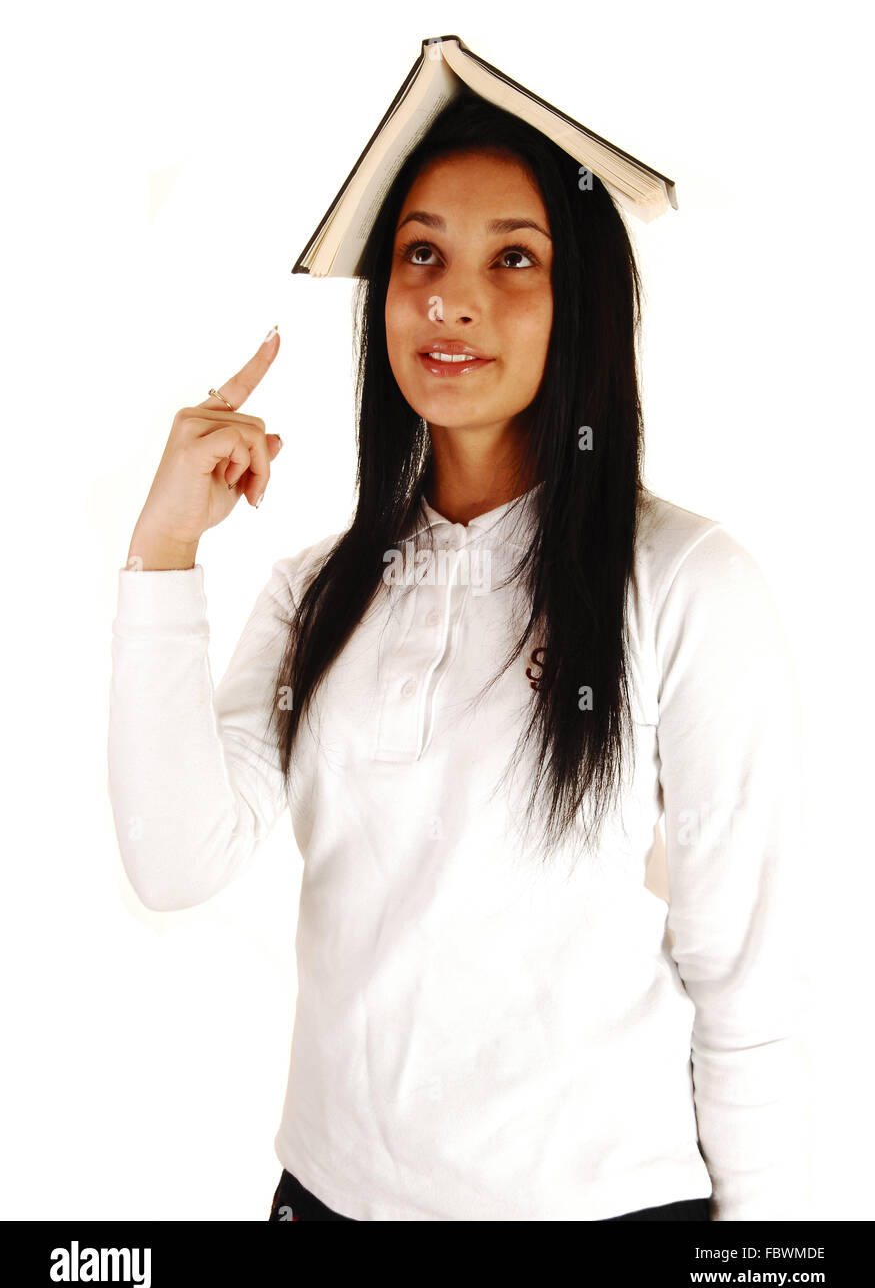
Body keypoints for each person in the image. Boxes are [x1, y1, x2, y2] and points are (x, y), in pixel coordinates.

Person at [108, 93, 811, 1222]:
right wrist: (163, 551)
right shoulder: (313, 594)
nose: (450, 298)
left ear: (580, 302)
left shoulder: (685, 584)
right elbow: (173, 860)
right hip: (325, 1197)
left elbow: (743, 980)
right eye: (420, 251)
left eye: (514, 258)